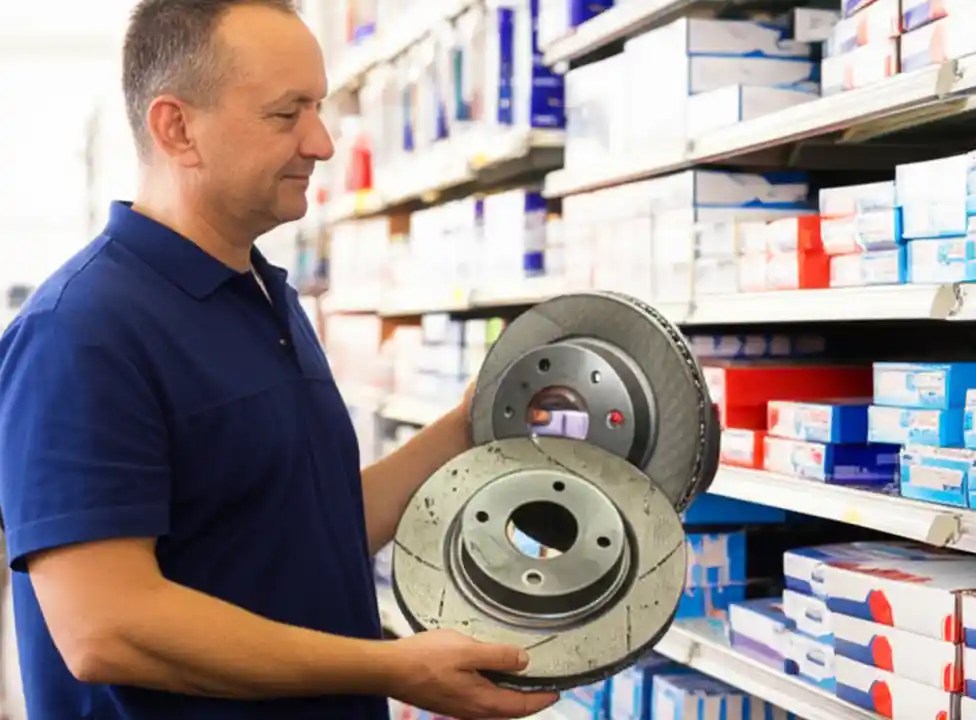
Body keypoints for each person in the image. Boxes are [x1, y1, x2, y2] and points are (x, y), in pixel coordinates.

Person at [0, 1, 560, 718]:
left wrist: (470, 423)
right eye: (286, 113)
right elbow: (105, 626)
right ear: (178, 127)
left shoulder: (263, 295)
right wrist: (387, 667)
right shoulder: (81, 332)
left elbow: (304, 528)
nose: (322, 142)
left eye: (319, 107)